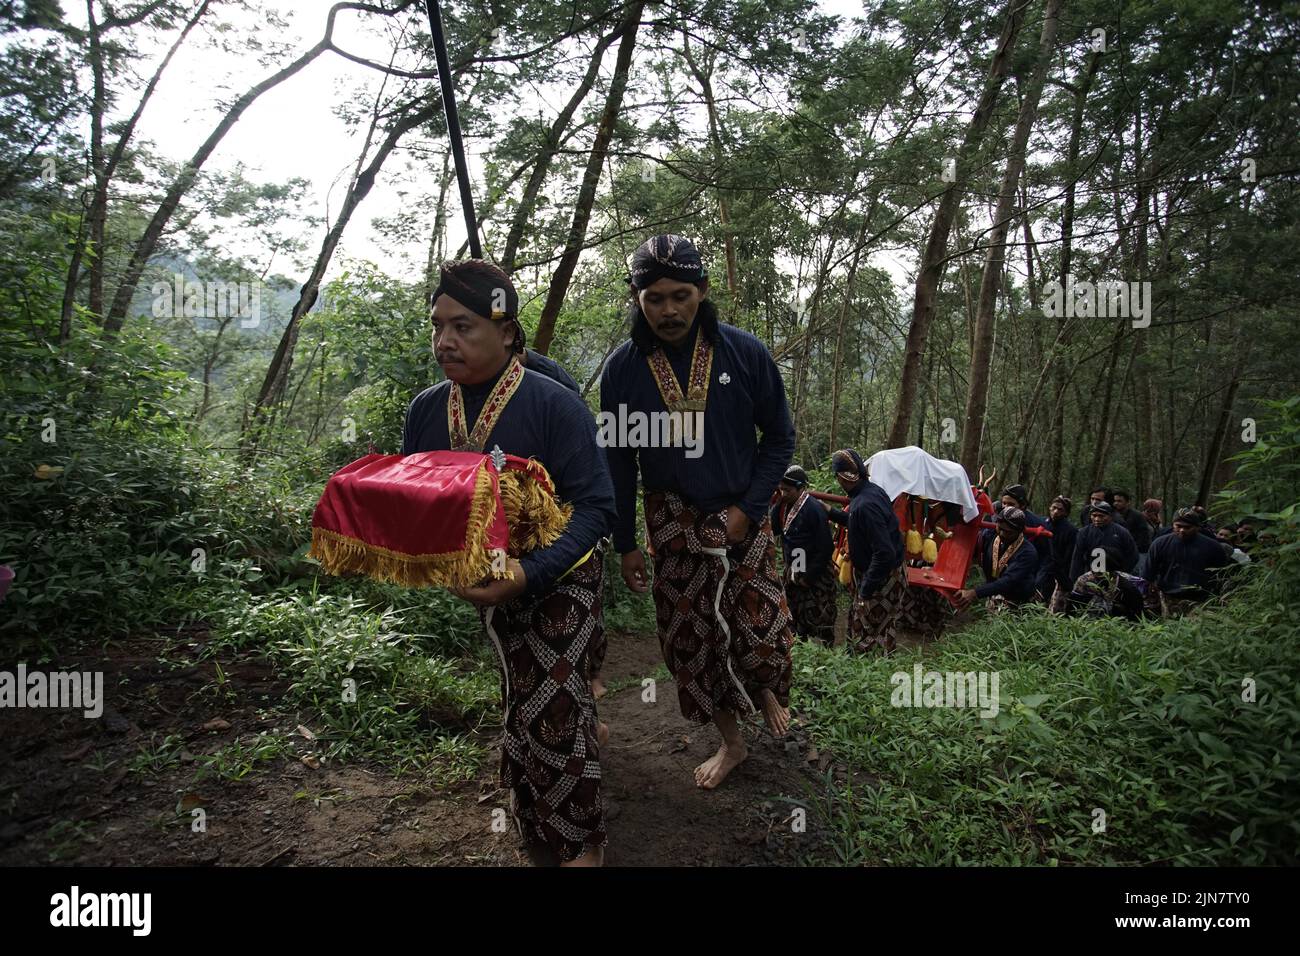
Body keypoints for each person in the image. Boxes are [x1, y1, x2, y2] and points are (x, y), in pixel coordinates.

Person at [402, 259, 616, 866]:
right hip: (488, 583)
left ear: (507, 331)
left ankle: (582, 848)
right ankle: (541, 823)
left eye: (463, 327)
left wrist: (532, 571)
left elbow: (597, 507)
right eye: (438, 326)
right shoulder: (425, 412)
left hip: (561, 579)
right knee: (527, 701)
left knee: (549, 706)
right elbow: (421, 501)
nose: (445, 340)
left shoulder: (555, 406)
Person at [602, 234, 795, 790]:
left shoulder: (745, 353)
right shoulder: (623, 370)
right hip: (672, 523)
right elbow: (618, 459)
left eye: (681, 295)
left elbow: (779, 438)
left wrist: (748, 510)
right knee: (690, 642)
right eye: (654, 297)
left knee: (763, 630)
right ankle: (732, 741)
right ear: (636, 297)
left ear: (702, 291)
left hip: (743, 511)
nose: (668, 310)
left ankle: (763, 688)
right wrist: (625, 542)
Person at [827, 448, 906, 653]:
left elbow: (884, 552)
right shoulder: (870, 492)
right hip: (884, 572)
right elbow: (857, 523)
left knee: (869, 630)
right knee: (874, 625)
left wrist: (865, 589)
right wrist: (831, 512)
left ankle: (873, 679)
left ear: (842, 478)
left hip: (883, 576)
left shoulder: (865, 504)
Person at [771, 465, 837, 646]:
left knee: (819, 614)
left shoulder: (814, 509)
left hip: (815, 570)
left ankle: (826, 649)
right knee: (794, 612)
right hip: (794, 567)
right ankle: (798, 645)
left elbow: (826, 547)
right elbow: (774, 528)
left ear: (801, 489)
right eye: (781, 489)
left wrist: (810, 576)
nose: (783, 493)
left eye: (788, 490)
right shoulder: (782, 507)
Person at [1145, 508, 1234, 616]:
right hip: (1168, 596)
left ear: (1197, 527)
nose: (1182, 530)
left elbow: (1221, 575)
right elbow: (1148, 573)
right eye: (1178, 526)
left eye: (1187, 527)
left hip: (1200, 599)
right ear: (1173, 525)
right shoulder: (1159, 544)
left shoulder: (1213, 547)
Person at [955, 507, 1040, 612]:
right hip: (994, 598)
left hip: (1019, 606)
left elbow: (1009, 581)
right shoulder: (989, 536)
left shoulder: (1027, 553)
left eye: (1008, 532)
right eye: (1000, 528)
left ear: (1019, 531)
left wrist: (974, 593)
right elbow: (970, 550)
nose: (1002, 534)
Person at [1068, 501, 1141, 615]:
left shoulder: (1121, 532)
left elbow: (1133, 555)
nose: (1097, 519)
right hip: (1091, 577)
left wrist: (1121, 573)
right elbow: (1077, 558)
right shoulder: (1084, 532)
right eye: (1094, 515)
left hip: (1115, 578)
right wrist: (1074, 579)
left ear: (1110, 516)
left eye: (1101, 516)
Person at [1000, 484, 1051, 600]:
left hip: (1027, 579)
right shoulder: (999, 519)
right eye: (1004, 503)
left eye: (1011, 504)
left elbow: (1046, 557)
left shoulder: (1037, 524)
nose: (1006, 508)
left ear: (1022, 505)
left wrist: (1037, 582)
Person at [1043, 495, 1078, 612]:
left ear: (1066, 513)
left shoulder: (1071, 530)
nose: (1055, 512)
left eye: (1060, 509)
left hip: (1060, 572)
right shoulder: (1043, 525)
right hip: (1042, 570)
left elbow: (1070, 556)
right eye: (1054, 508)